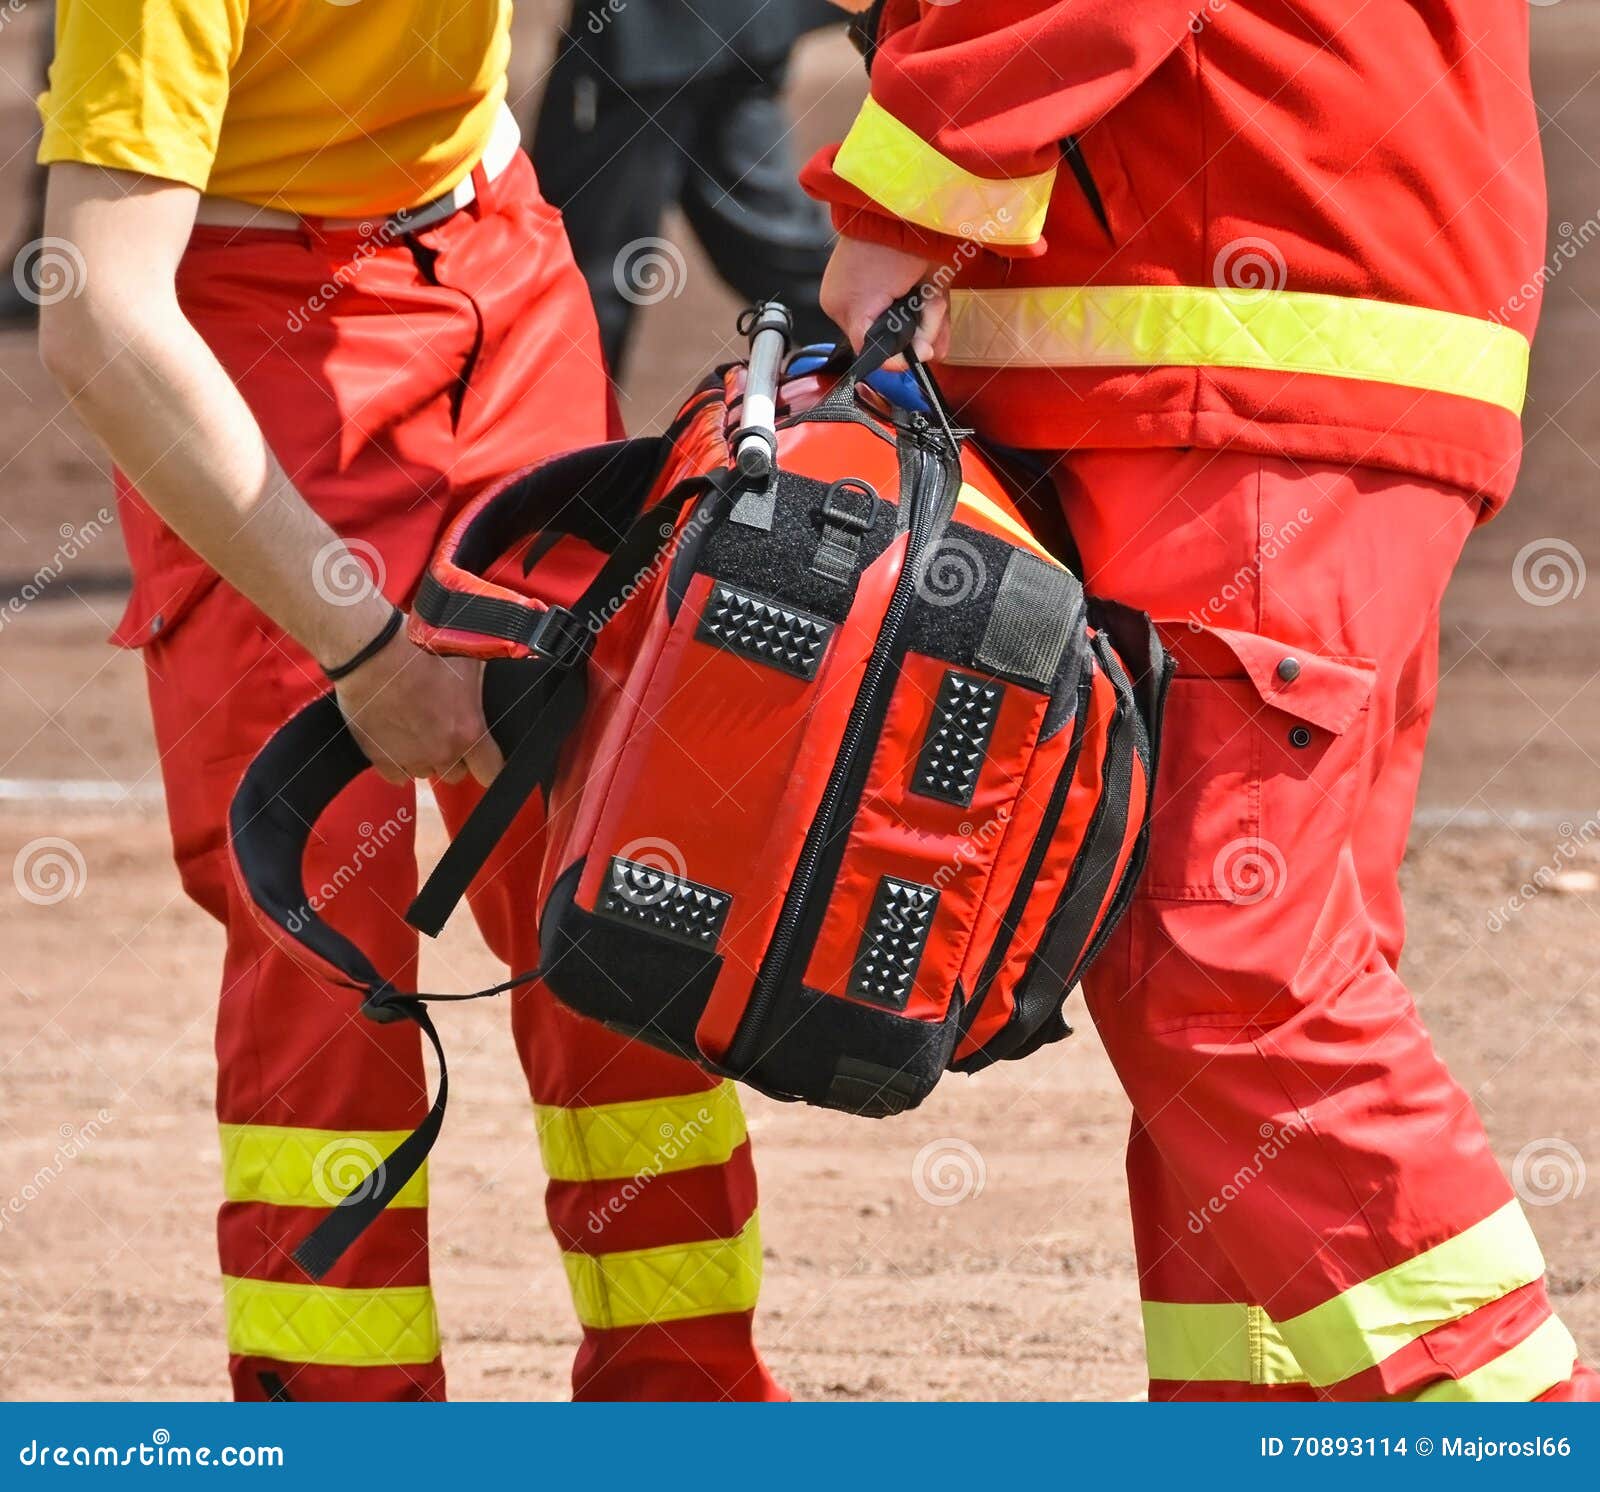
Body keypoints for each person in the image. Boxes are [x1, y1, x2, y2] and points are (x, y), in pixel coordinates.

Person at [807, 0, 1598, 1400]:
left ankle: (1519, 1430)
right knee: (1236, 974)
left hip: (1233, 344)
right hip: (1291, 329)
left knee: (1220, 958)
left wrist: (903, 196)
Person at [35, 0, 779, 1402]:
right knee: (325, 942)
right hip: (249, 342)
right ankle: (346, 1425)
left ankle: (687, 1399)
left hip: (492, 267)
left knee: (617, 889)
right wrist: (359, 644)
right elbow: (102, 322)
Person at [532, 0, 838, 377]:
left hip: (647, 37)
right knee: (782, 252)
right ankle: (900, 365)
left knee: (571, 273)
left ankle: (567, 429)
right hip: (738, 23)